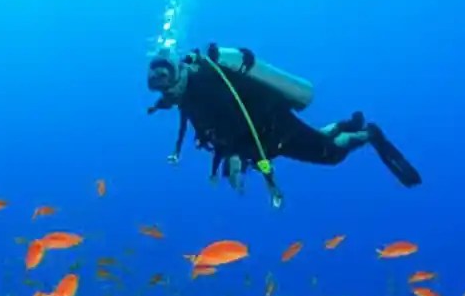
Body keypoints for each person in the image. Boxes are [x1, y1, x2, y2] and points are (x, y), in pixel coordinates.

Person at [146, 43, 421, 207]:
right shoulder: (190, 93)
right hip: (270, 134)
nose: (164, 94)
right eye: (159, 86)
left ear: (178, 72)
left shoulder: (204, 89)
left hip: (276, 130)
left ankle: (366, 134)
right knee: (318, 141)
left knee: (331, 155)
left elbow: (234, 125)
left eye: (165, 83)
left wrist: (235, 159)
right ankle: (344, 124)